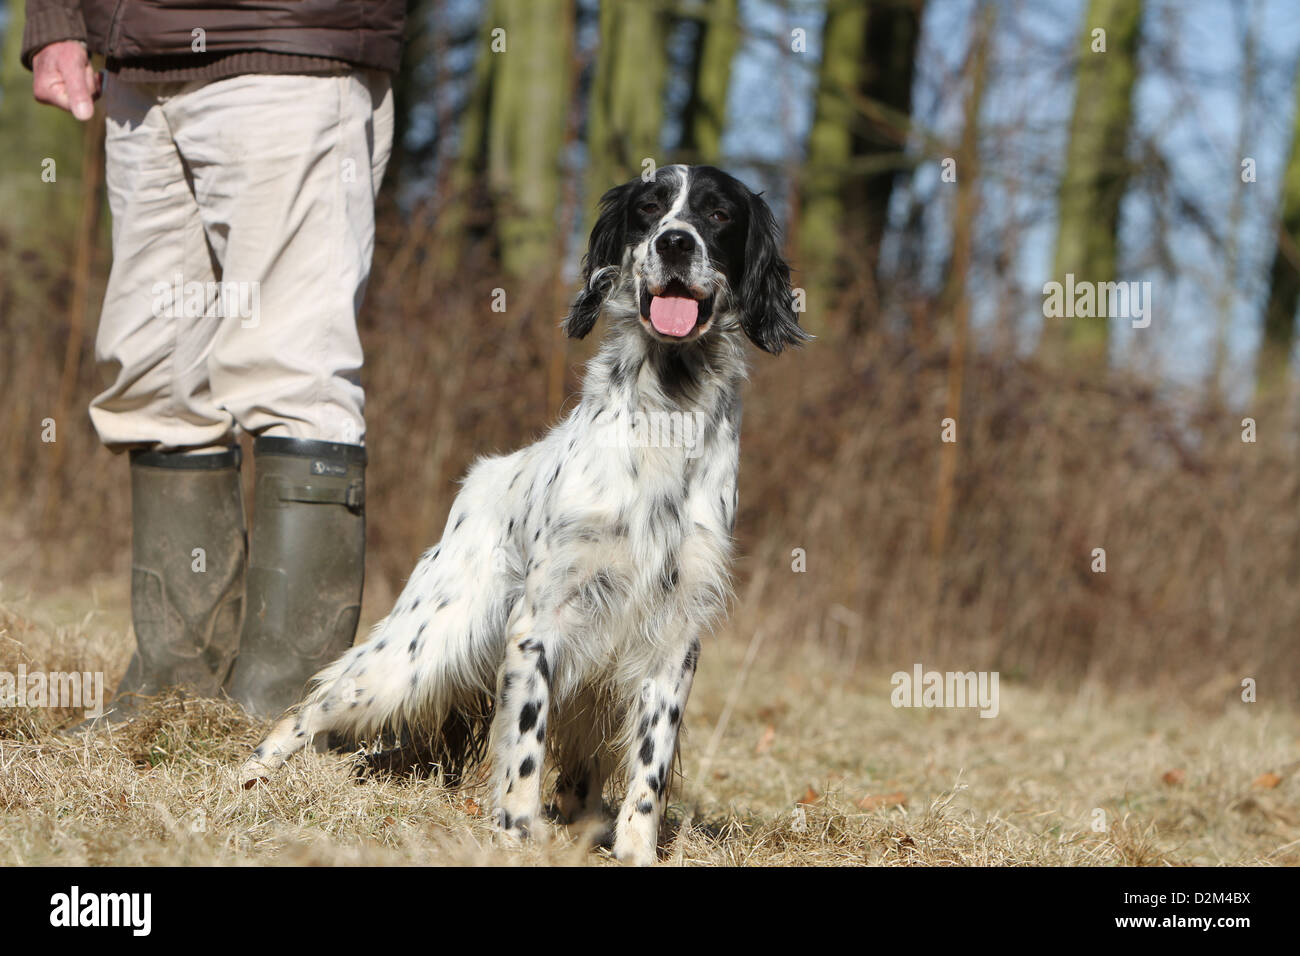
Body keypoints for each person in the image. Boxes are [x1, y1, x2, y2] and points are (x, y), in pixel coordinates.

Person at [21, 0, 406, 720]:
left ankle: (283, 715)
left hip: (286, 46)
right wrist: (56, 19)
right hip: (136, 67)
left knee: (292, 368)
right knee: (156, 377)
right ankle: (176, 693)